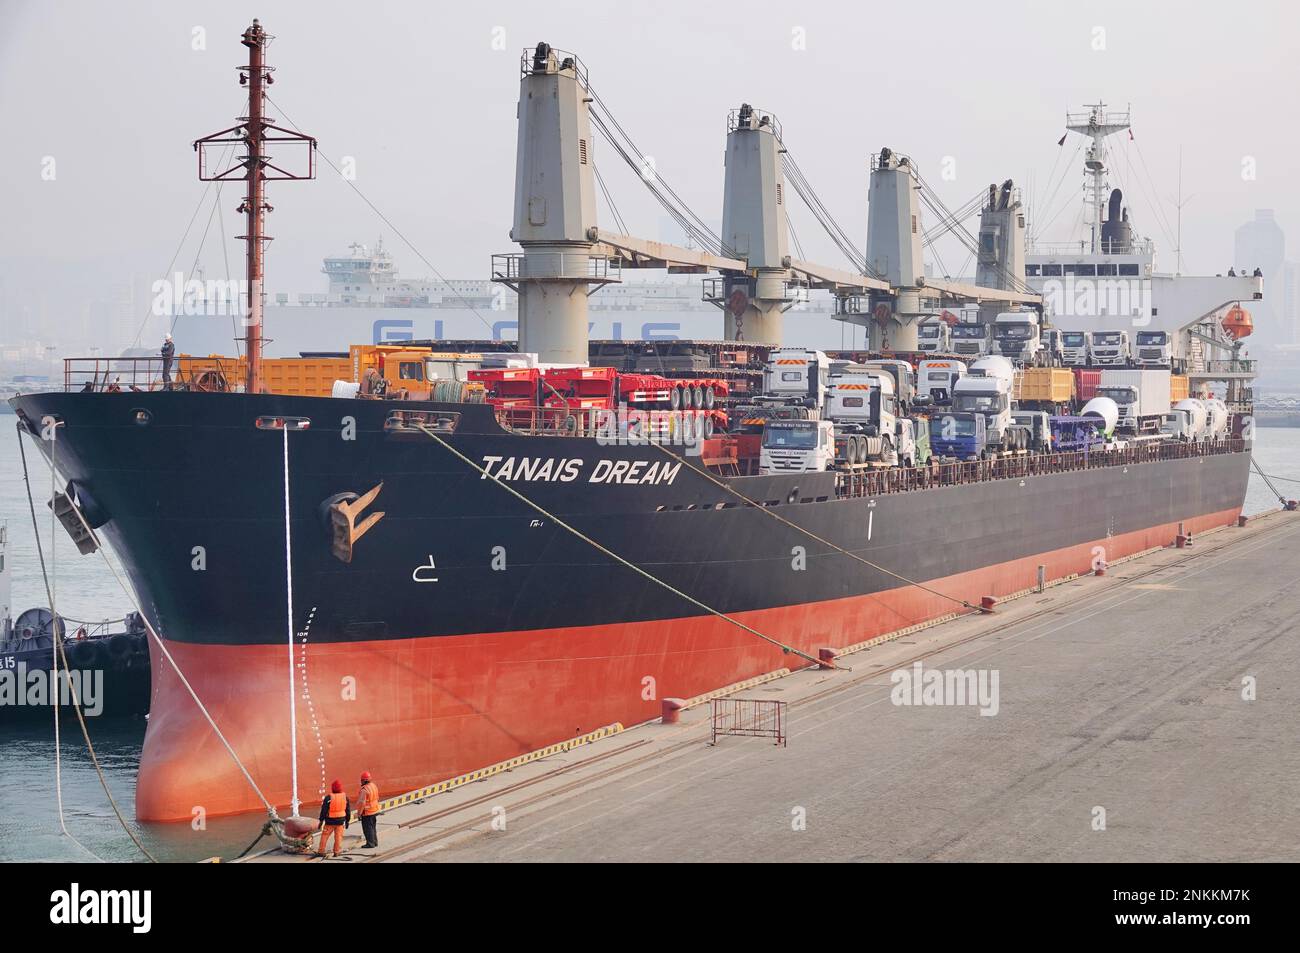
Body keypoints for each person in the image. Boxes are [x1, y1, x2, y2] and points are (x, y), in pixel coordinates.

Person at [316, 779, 350, 858]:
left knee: (325, 836)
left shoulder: (328, 798)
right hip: (340, 822)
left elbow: (324, 810)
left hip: (329, 821)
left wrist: (321, 821)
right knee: (338, 837)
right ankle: (336, 852)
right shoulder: (345, 797)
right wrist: (347, 821)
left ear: (332, 788)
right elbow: (347, 810)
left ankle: (321, 851)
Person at [357, 771, 380, 848]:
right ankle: (375, 842)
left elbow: (362, 803)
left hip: (367, 812)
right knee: (373, 827)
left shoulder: (364, 790)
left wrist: (359, 813)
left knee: (367, 829)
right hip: (374, 810)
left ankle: (370, 843)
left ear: (364, 780)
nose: (361, 782)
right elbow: (377, 797)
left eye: (362, 780)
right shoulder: (373, 786)